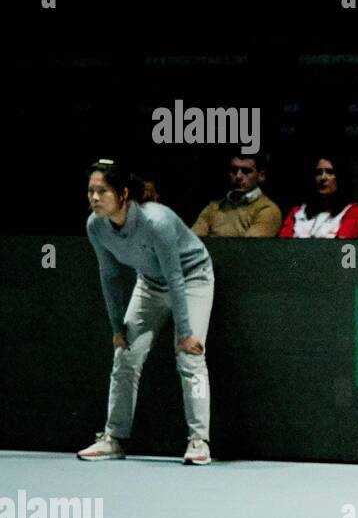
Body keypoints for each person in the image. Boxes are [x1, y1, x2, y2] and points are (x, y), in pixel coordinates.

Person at [78, 159, 216, 466]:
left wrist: (185, 332)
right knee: (125, 355)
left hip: (192, 278)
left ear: (124, 194)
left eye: (103, 191)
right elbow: (109, 276)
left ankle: (199, 441)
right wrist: (118, 328)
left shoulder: (157, 221)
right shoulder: (95, 226)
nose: (95, 198)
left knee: (189, 356)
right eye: (91, 191)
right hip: (150, 284)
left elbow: (176, 276)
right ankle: (113, 438)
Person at [192, 153, 283, 237]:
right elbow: (194, 241)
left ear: (261, 176)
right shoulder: (214, 207)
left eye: (246, 171)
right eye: (234, 170)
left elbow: (247, 248)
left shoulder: (268, 209)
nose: (238, 176)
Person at [278, 155, 358, 238]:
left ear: (341, 177)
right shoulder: (297, 212)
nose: (323, 177)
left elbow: (341, 249)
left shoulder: (353, 212)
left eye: (330, 172)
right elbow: (283, 246)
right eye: (319, 173)